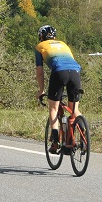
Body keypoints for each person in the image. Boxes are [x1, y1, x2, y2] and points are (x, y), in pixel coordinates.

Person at [34, 25, 82, 153]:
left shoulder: (40, 46)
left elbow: (40, 72)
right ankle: (82, 135)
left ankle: (55, 142)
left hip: (59, 72)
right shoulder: (64, 45)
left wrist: (41, 90)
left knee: (53, 108)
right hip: (76, 72)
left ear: (41, 36)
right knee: (74, 109)